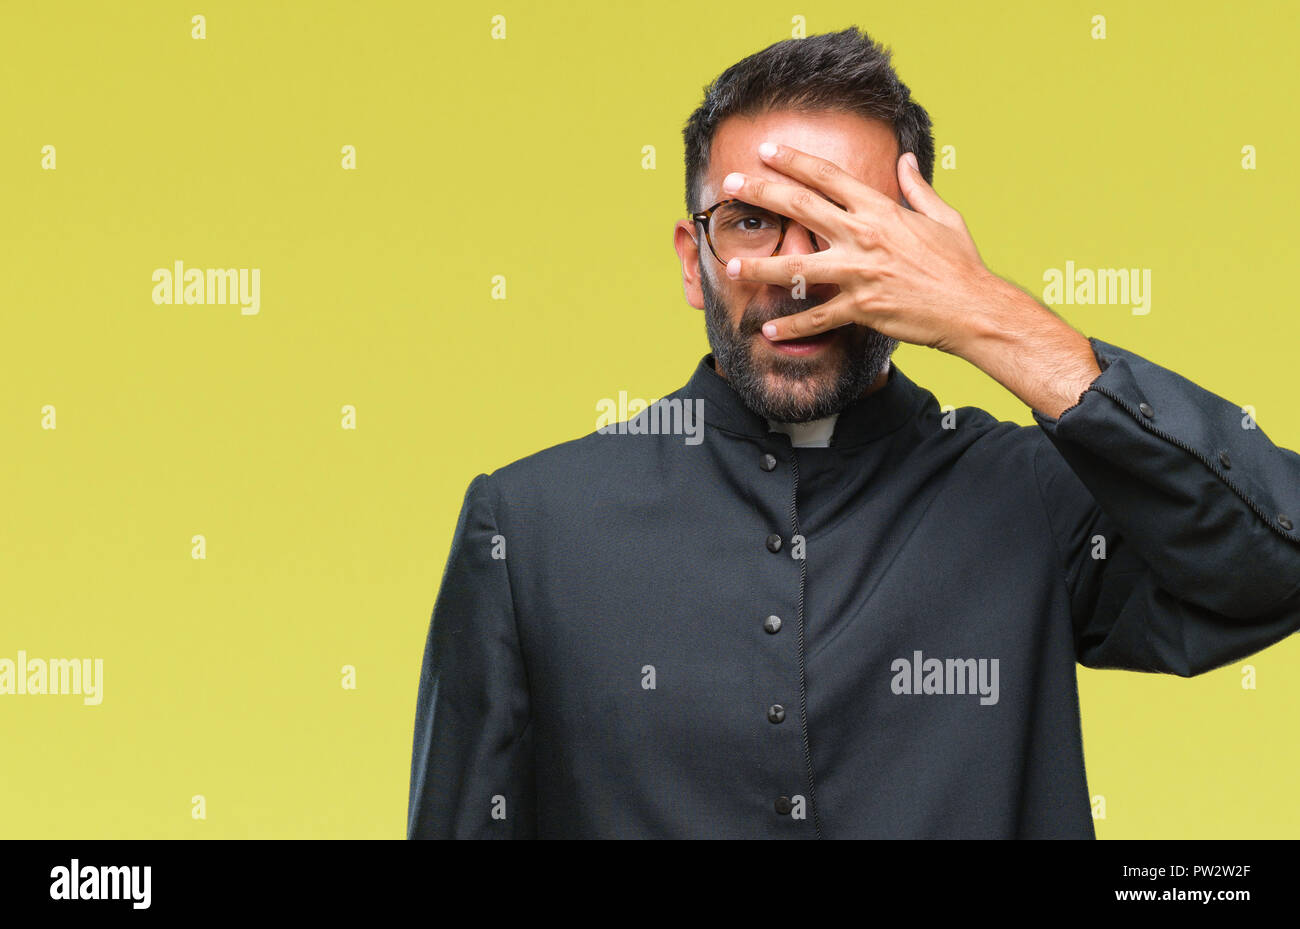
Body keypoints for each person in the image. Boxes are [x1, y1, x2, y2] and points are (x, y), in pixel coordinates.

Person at [407, 26, 1300, 838]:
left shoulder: (1036, 495)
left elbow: (1277, 562)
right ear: (694, 261)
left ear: (919, 254)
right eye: (752, 221)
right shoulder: (529, 529)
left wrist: (988, 314)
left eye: (845, 226)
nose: (800, 270)